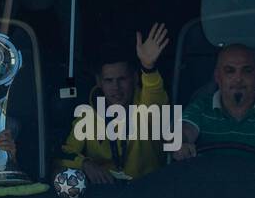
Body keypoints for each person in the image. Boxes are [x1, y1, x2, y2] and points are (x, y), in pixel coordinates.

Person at [59, 23, 171, 184]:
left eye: (122, 79)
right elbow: (65, 154)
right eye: (109, 80)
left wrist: (148, 67)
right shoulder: (88, 114)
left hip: (148, 192)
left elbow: (155, 94)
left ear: (134, 78)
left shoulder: (147, 106)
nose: (116, 88)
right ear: (99, 82)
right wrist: (84, 164)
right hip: (107, 197)